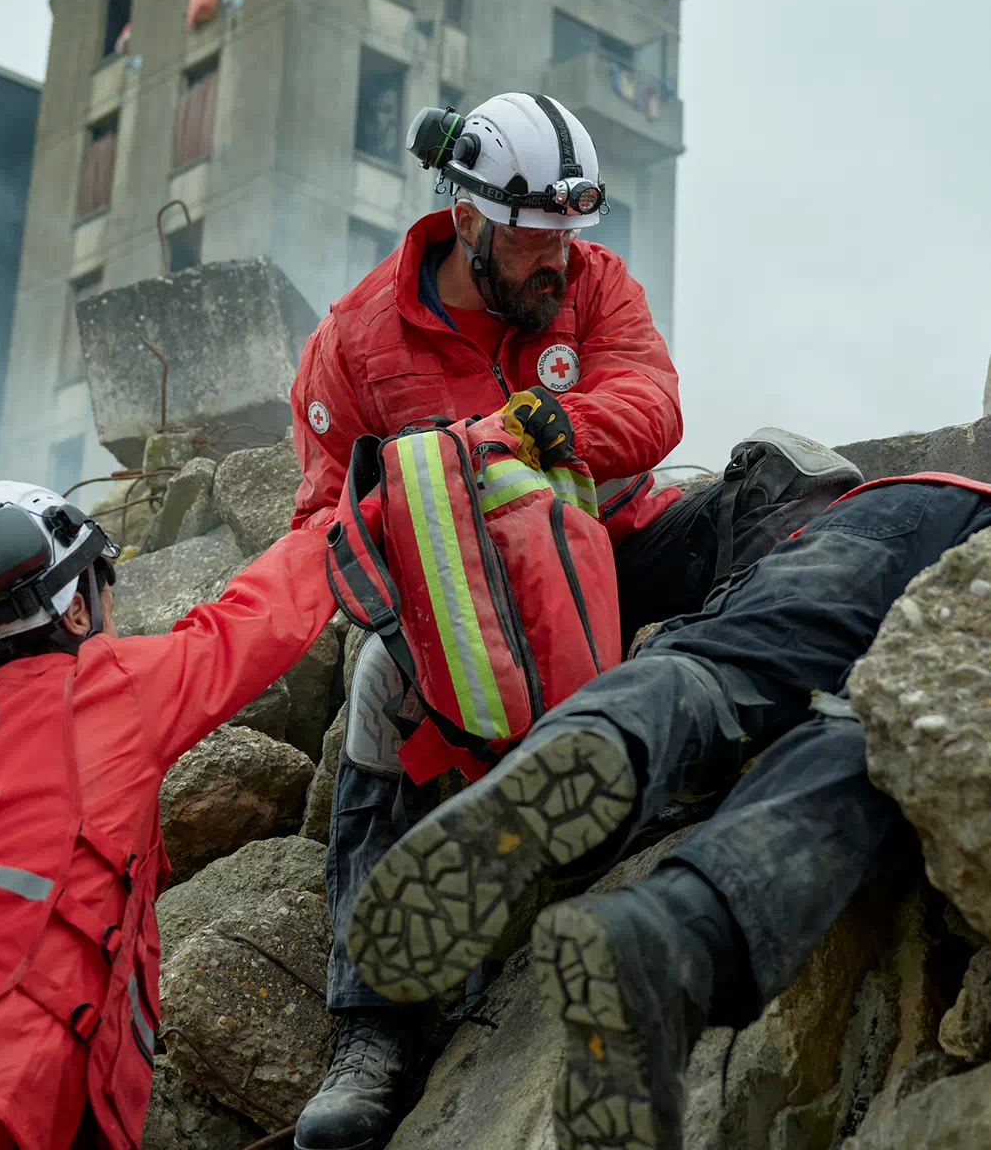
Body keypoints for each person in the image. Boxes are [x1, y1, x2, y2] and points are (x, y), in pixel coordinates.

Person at [290, 91, 859, 1150]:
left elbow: (654, 397)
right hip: (467, 607)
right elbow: (319, 517)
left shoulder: (594, 287)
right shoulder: (356, 342)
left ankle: (724, 722)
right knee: (377, 682)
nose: (556, 259)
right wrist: (419, 538)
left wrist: (549, 430)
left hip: (618, 545)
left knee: (781, 483)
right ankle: (371, 1028)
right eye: (531, 235)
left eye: (569, 233)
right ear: (464, 219)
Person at [345, 473, 991, 1150]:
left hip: (889, 511)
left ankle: (593, 744)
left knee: (722, 669)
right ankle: (680, 936)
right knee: (885, 736)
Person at [0, 480, 345, 1150]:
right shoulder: (101, 691)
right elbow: (256, 619)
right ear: (75, 610)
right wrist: (363, 496)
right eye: (108, 597)